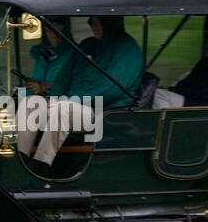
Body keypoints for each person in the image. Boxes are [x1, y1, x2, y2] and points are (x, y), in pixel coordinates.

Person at [19, 15, 143, 165]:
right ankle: (19, 162)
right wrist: (52, 97)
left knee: (62, 110)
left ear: (110, 22)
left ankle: (40, 166)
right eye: (92, 22)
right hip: (74, 102)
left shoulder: (127, 49)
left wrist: (66, 101)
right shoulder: (88, 45)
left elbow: (111, 89)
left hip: (103, 110)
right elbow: (65, 76)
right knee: (31, 103)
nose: (93, 26)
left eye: (98, 22)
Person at [25, 18, 75, 96]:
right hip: (36, 99)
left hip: (62, 102)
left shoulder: (75, 53)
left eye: (57, 28)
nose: (53, 33)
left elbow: (76, 82)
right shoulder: (42, 54)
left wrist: (44, 86)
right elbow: (36, 79)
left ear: (65, 29)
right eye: (48, 28)